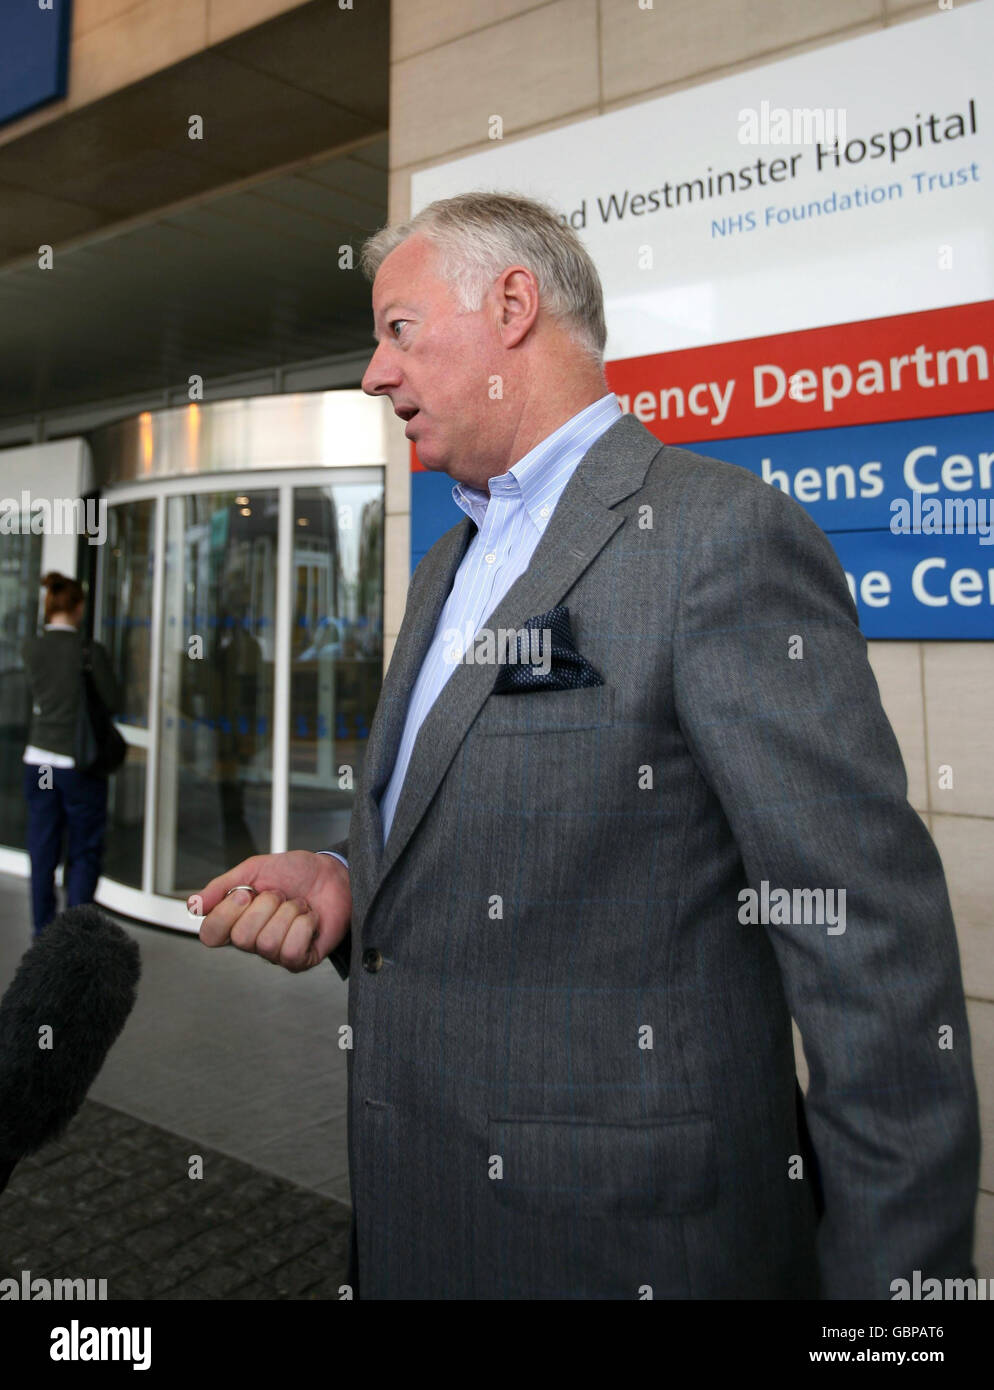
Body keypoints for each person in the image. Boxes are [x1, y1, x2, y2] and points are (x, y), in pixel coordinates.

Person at [194, 192, 980, 1300]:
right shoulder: (444, 567)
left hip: (628, 1249)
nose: (374, 372)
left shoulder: (719, 539)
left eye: (398, 328)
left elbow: (870, 958)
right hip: (427, 1226)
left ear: (512, 304)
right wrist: (348, 884)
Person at [22, 573, 121, 937]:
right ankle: (73, 939)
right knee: (83, 852)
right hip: (78, 764)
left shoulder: (30, 648)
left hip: (39, 762)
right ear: (78, 607)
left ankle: (42, 936)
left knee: (43, 851)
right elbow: (113, 702)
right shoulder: (88, 651)